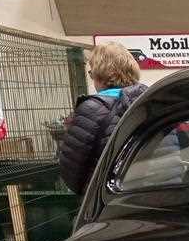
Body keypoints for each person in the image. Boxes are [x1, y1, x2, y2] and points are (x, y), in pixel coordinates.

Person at [58, 42, 148, 194]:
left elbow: (72, 171)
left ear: (100, 74)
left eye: (91, 73)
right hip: (160, 193)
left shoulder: (92, 109)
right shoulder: (152, 100)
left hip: (112, 199)